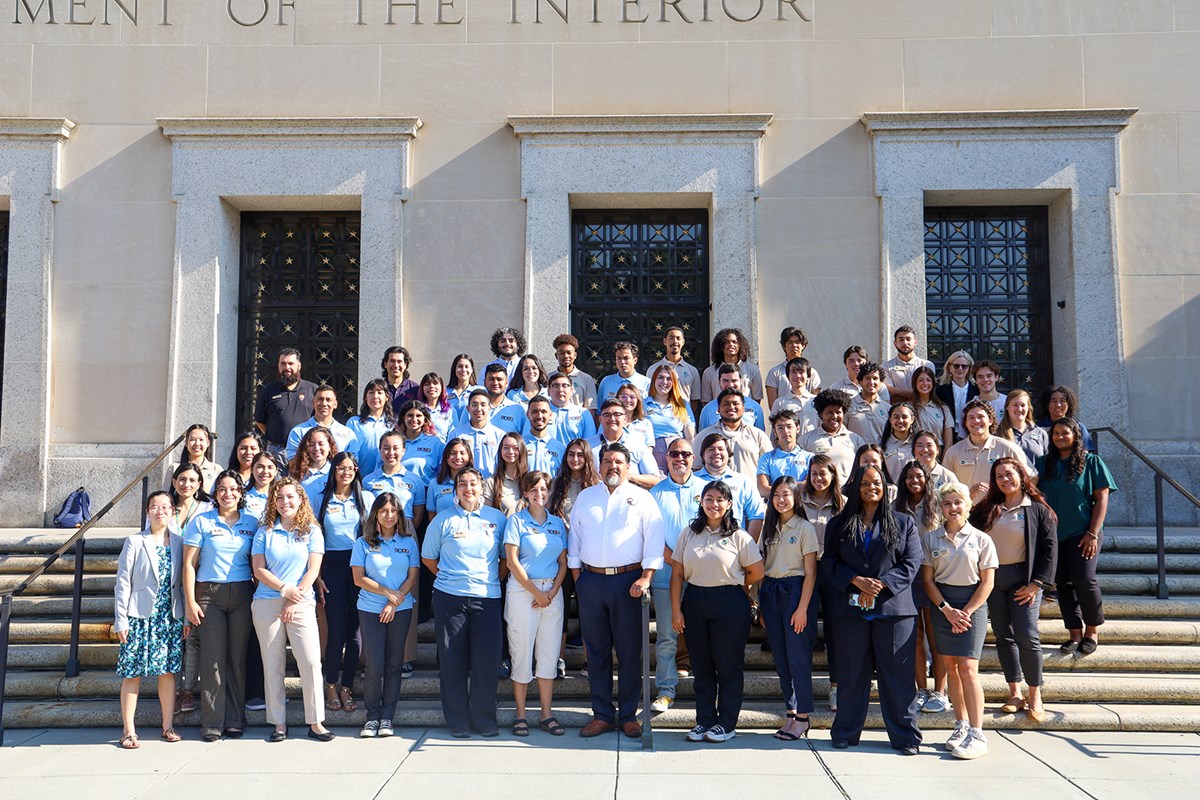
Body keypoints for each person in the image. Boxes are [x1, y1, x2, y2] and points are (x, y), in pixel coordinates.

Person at [820, 464, 923, 755]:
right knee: (852, 675)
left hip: (893, 611)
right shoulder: (838, 523)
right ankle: (845, 732)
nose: (871, 487)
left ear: (885, 486)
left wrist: (880, 585)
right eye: (865, 483)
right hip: (851, 612)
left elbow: (912, 562)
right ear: (856, 488)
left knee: (898, 678)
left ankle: (906, 737)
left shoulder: (904, 522)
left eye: (876, 482)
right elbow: (828, 563)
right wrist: (855, 580)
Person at [569, 443, 665, 738]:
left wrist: (647, 575)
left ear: (628, 466)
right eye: (607, 460)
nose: (613, 466)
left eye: (619, 461)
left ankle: (627, 715)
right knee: (596, 653)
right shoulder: (586, 497)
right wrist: (579, 581)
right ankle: (601, 715)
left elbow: (654, 537)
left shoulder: (642, 498)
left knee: (628, 652)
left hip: (629, 583)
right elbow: (575, 540)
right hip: (591, 582)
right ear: (599, 465)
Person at [669, 480, 764, 744]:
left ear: (729, 504)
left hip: (729, 602)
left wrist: (734, 583)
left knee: (728, 665)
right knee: (702, 666)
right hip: (696, 599)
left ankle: (726, 722)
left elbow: (757, 571)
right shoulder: (688, 533)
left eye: (720, 499)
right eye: (709, 499)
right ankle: (705, 721)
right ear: (701, 501)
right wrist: (676, 610)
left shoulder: (739, 535)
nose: (714, 504)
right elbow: (677, 574)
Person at [421, 468, 509, 738]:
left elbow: (506, 558)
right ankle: (457, 721)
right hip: (450, 599)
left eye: (473, 484)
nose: (468, 488)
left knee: (486, 662)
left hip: (487, 598)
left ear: (481, 487)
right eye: (462, 484)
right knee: (452, 661)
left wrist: (493, 578)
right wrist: (450, 579)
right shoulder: (443, 520)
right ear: (455, 489)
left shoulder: (497, 519)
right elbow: (428, 558)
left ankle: (484, 720)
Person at [972, 457, 1058, 723]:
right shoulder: (987, 508)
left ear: (1021, 475)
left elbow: (1050, 549)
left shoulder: (1037, 509)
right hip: (993, 581)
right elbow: (967, 529)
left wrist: (1037, 584)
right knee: (1003, 636)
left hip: (1025, 582)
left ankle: (1035, 696)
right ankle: (1015, 693)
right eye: (999, 476)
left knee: (1027, 635)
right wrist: (972, 497)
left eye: (1009, 474)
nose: (1005, 479)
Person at [250, 477, 333, 742]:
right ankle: (279, 723)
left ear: (300, 500)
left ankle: (316, 722)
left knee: (310, 661)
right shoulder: (265, 530)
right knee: (272, 664)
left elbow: (313, 569)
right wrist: (284, 590)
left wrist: (293, 598)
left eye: (290, 497)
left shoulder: (311, 529)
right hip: (267, 602)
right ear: (273, 501)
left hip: (301, 602)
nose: (285, 502)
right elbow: (259, 569)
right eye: (280, 497)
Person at [921, 482, 998, 759]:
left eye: (958, 502)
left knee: (968, 668)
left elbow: (987, 583)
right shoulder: (931, 539)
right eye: (947, 503)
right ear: (941, 508)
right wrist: (946, 609)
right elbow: (928, 581)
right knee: (951, 668)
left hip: (972, 605)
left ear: (968, 505)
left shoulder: (981, 539)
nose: (953, 508)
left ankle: (978, 733)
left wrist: (964, 611)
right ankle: (960, 725)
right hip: (943, 605)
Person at [182, 471, 258, 741]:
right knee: (212, 659)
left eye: (234, 489)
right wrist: (190, 601)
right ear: (215, 494)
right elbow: (189, 565)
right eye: (222, 489)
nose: (228, 494)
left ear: (241, 493)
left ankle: (235, 719)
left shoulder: (252, 523)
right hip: (208, 594)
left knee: (236, 659)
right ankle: (212, 723)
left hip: (241, 593)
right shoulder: (201, 522)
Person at [114, 491, 188, 750]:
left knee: (167, 673)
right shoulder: (135, 541)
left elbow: (182, 584)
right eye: (155, 507)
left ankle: (167, 725)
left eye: (166, 507)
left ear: (172, 512)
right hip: (139, 616)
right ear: (147, 512)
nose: (161, 511)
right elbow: (123, 582)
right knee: (132, 674)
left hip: (169, 618)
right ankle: (128, 730)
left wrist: (186, 615)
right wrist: (120, 619)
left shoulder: (179, 542)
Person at [1038, 418, 1116, 656]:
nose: (1060, 437)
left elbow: (1102, 499)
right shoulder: (1044, 464)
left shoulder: (1092, 462)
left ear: (1076, 435)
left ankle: (1092, 631)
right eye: (1056, 433)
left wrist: (1093, 533)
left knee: (1084, 578)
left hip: (1084, 532)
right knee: (1062, 583)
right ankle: (1074, 633)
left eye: (1065, 433)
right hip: (1054, 534)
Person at [504, 471, 569, 737]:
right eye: (533, 490)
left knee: (549, 652)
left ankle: (546, 713)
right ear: (525, 493)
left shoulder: (557, 524)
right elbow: (512, 561)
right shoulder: (516, 522)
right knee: (521, 652)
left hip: (552, 593)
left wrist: (551, 591)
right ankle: (520, 715)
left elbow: (564, 562)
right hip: (523, 592)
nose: (539, 494)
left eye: (543, 489)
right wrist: (535, 592)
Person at [351, 492, 420, 738]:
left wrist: (394, 601)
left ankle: (387, 717)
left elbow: (412, 576)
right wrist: (386, 593)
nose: (389, 516)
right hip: (370, 610)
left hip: (400, 610)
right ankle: (372, 717)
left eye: (393, 511)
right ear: (376, 515)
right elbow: (358, 578)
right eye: (384, 511)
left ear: (399, 514)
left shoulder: (408, 541)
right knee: (374, 665)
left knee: (393, 665)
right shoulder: (363, 543)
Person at [758, 476, 820, 741]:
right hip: (771, 592)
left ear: (796, 497)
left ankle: (803, 717)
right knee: (781, 659)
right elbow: (762, 568)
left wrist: (803, 608)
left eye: (786, 494)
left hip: (796, 592)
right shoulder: (768, 528)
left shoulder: (805, 528)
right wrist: (760, 603)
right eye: (776, 495)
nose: (781, 499)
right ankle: (790, 712)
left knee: (797, 658)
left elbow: (811, 574)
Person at [362, 430, 428, 672]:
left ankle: (405, 656)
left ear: (404, 450)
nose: (391, 452)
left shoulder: (415, 480)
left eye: (396, 448)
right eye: (386, 448)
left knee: (406, 592)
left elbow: (419, 512)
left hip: (406, 532)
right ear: (380, 451)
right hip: (376, 534)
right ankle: (372, 657)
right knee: (377, 589)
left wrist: (405, 531)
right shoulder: (369, 480)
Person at [647, 439, 704, 713]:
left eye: (684, 453)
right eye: (674, 454)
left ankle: (707, 689)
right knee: (668, 636)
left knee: (705, 636)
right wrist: (676, 560)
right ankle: (666, 690)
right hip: (665, 577)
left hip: (702, 576)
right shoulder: (654, 493)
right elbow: (652, 535)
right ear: (665, 458)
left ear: (693, 457)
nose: (679, 458)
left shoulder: (706, 490)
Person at [315, 451, 373, 715]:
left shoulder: (367, 498)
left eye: (350, 468)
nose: (346, 472)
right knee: (336, 630)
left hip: (359, 565)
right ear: (333, 470)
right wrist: (316, 574)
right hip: (331, 566)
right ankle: (330, 684)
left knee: (356, 633)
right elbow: (310, 538)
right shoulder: (320, 499)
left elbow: (375, 536)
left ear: (356, 470)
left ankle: (346, 685)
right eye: (341, 468)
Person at [894, 460, 950, 715]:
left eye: (919, 476)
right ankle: (921, 689)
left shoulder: (938, 503)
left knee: (936, 635)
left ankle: (941, 691)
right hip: (908, 577)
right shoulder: (897, 507)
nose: (914, 481)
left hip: (935, 575)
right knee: (915, 637)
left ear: (927, 479)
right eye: (909, 477)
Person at [799, 454, 844, 710]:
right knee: (802, 630)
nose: (818, 478)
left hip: (833, 571)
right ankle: (800, 686)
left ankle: (836, 685)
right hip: (803, 569)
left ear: (832, 475)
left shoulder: (844, 504)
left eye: (823, 473)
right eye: (814, 473)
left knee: (835, 632)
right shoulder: (798, 501)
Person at [168, 463, 212, 715]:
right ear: (174, 482)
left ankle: (188, 690)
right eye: (182, 479)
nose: (186, 484)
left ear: (199, 485)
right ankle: (170, 690)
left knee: (193, 637)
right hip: (167, 581)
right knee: (173, 638)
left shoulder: (207, 509)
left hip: (196, 578)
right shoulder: (165, 507)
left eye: (192, 480)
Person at [943, 399, 1030, 503]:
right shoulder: (953, 452)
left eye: (981, 417)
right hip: (967, 513)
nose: (976, 421)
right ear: (965, 423)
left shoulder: (1008, 448)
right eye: (971, 417)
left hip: (1001, 512)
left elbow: (1029, 478)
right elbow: (945, 487)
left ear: (990, 421)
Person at [692, 433, 766, 539]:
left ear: (729, 454)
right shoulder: (691, 481)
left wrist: (748, 549)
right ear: (703, 455)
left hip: (733, 546)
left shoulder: (743, 482)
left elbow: (756, 516)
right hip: (698, 545)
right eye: (711, 449)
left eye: (721, 449)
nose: (716, 452)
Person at [692, 389, 773, 482]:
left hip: (749, 494)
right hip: (716, 494)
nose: (731, 407)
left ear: (743, 408)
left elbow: (770, 467)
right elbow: (695, 469)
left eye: (735, 403)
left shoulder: (758, 435)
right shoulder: (704, 436)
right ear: (718, 408)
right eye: (726, 403)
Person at [254, 348, 319, 457]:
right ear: (279, 366)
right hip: (276, 451)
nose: (287, 368)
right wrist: (274, 436)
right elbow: (259, 420)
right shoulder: (269, 390)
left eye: (291, 363)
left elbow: (320, 419)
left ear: (299, 366)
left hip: (304, 450)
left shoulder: (312, 390)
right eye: (283, 364)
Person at [587, 398, 661, 488]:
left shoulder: (637, 444)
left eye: (617, 414)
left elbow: (655, 479)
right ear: (600, 419)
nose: (612, 419)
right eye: (607, 415)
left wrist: (626, 476)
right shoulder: (588, 446)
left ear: (625, 419)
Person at [800, 389, 865, 486]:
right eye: (829, 412)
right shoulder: (806, 439)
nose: (834, 416)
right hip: (818, 497)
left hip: (848, 496)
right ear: (821, 414)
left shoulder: (856, 440)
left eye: (838, 412)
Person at [284, 384, 358, 461]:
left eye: (328, 400)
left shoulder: (348, 433)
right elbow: (293, 463)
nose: (324, 403)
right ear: (313, 403)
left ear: (335, 404)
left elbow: (352, 462)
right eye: (320, 399)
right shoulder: (298, 432)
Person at [645, 363, 697, 471]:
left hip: (677, 455)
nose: (664, 382)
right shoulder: (643, 404)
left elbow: (690, 437)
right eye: (660, 378)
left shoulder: (682, 405)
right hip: (651, 455)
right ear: (654, 379)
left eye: (669, 379)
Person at [450, 389, 508, 479]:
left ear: (489, 408)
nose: (479, 409)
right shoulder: (456, 434)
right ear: (468, 409)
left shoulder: (499, 435)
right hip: (465, 487)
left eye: (483, 405)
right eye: (474, 405)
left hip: (491, 487)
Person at [757, 410, 813, 498]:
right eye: (780, 427)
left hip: (803, 509)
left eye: (789, 426)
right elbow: (763, 490)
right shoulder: (766, 458)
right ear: (775, 432)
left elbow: (808, 486)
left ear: (797, 428)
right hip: (775, 509)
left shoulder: (809, 458)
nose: (785, 431)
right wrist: (797, 486)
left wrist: (776, 489)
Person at [696, 364, 769, 432]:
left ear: (740, 381)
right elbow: (703, 438)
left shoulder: (755, 407)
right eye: (725, 381)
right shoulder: (708, 409)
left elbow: (760, 437)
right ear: (719, 382)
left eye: (734, 381)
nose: (730, 385)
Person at [346, 378, 395, 476]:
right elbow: (348, 453)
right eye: (371, 393)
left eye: (380, 392)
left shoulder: (394, 424)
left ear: (387, 397)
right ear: (365, 397)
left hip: (386, 477)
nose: (375, 396)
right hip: (359, 478)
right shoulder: (354, 422)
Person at [642, 326, 701, 406]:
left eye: (678, 338)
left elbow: (694, 400)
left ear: (683, 342)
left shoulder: (692, 371)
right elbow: (649, 394)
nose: (675, 341)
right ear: (664, 341)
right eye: (671, 338)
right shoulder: (653, 369)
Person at [700, 328, 763, 403]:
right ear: (720, 345)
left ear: (740, 345)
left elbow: (757, 400)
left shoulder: (753, 370)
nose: (731, 345)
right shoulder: (709, 372)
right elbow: (706, 402)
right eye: (727, 342)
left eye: (734, 342)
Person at [765, 327, 822, 409]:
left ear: (803, 346)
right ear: (784, 346)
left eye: (797, 342)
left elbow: (816, 402)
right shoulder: (774, 372)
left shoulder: (812, 372)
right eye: (789, 342)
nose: (794, 345)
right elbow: (773, 406)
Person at [468, 363, 527, 435]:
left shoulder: (517, 409)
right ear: (484, 382)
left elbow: (524, 439)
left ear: (506, 383)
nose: (495, 383)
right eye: (491, 379)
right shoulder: (473, 407)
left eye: (499, 379)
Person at [997, 389, 1050, 467]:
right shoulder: (998, 434)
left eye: (1023, 405)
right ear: (1007, 407)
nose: (1019, 409)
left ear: (1028, 408)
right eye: (1015, 405)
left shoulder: (1040, 433)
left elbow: (1049, 462)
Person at [163, 423, 221, 493]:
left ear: (208, 443)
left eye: (201, 439)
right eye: (192, 439)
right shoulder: (174, 468)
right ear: (186, 443)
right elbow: (165, 495)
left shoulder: (216, 469)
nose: (197, 443)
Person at [289, 426, 338, 508]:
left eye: (321, 444)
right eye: (311, 444)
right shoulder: (297, 472)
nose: (316, 448)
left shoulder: (337, 471)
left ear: (330, 446)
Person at [882, 325, 934, 402]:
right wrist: (917, 393)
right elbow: (889, 391)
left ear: (915, 342)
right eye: (901, 340)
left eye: (908, 339)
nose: (905, 343)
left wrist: (896, 391)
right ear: (895, 343)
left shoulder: (927, 365)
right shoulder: (886, 367)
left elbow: (927, 393)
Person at [935, 350, 978, 442]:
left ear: (969, 369)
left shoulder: (977, 390)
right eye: (956, 366)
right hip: (948, 434)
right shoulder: (940, 390)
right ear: (949, 368)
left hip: (972, 433)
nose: (960, 369)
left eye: (964, 366)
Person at [426, 438, 475, 519]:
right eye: (453, 453)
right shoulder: (435, 484)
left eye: (462, 453)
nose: (458, 457)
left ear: (469, 456)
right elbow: (432, 517)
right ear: (446, 456)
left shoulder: (477, 483)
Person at [1038, 384, 1096, 451]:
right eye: (1053, 401)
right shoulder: (1037, 428)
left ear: (1069, 404)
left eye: (1062, 401)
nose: (1058, 405)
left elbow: (1085, 453)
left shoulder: (1079, 427)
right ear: (1046, 404)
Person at [397, 400, 445, 482]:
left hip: (426, 490)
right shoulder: (395, 441)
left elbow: (442, 472)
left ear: (425, 419)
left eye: (418, 416)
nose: (414, 419)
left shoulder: (435, 443)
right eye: (410, 415)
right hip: (398, 491)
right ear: (403, 418)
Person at [484, 431, 529, 517]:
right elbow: (488, 517)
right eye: (506, 447)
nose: (510, 452)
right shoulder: (491, 483)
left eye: (515, 448)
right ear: (500, 451)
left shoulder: (529, 482)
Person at [547, 371, 598, 444]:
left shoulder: (583, 413)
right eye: (556, 386)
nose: (560, 390)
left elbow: (589, 444)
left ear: (572, 390)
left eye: (565, 386)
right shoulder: (540, 413)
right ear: (548, 391)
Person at [845, 362, 890, 444]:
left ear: (881, 382)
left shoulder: (888, 408)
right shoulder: (848, 406)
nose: (871, 382)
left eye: (875, 378)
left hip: (879, 455)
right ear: (860, 381)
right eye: (867, 378)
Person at [553, 333, 598, 410]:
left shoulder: (586, 379)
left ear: (575, 355)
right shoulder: (548, 378)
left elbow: (590, 408)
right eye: (561, 353)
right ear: (556, 355)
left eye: (569, 352)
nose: (566, 356)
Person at [912, 366, 954, 447]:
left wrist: (945, 459)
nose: (925, 383)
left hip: (938, 453)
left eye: (928, 380)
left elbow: (949, 441)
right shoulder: (908, 408)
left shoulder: (943, 409)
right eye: (921, 380)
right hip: (914, 453)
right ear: (915, 383)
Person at [524, 395, 566, 476]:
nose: (539, 416)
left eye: (543, 412)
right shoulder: (519, 445)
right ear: (527, 414)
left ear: (550, 415)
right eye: (534, 411)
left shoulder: (560, 448)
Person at [880, 402, 917, 482]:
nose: (900, 420)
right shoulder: (880, 444)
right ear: (890, 420)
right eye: (896, 417)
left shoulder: (918, 443)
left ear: (912, 419)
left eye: (904, 417)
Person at [616, 382, 656, 454]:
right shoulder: (610, 421)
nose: (628, 400)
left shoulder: (646, 424)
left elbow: (649, 451)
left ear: (638, 400)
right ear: (617, 399)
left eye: (632, 397)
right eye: (623, 397)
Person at [416, 372, 456, 440]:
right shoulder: (417, 410)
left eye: (435, 383)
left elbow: (453, 435)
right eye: (427, 384)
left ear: (442, 387)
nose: (431, 386)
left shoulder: (450, 411)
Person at [381, 346, 419, 413]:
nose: (396, 365)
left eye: (399, 361)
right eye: (392, 361)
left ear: (405, 365)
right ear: (385, 364)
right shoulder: (379, 388)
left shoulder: (415, 389)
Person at [243, 451, 279, 520]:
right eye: (260, 467)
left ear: (276, 471)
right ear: (251, 469)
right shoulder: (242, 495)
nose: (265, 471)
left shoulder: (280, 496)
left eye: (270, 467)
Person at [447, 354, 482, 418]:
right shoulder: (444, 392)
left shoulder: (480, 391)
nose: (463, 370)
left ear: (472, 370)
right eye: (460, 366)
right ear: (454, 369)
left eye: (466, 366)